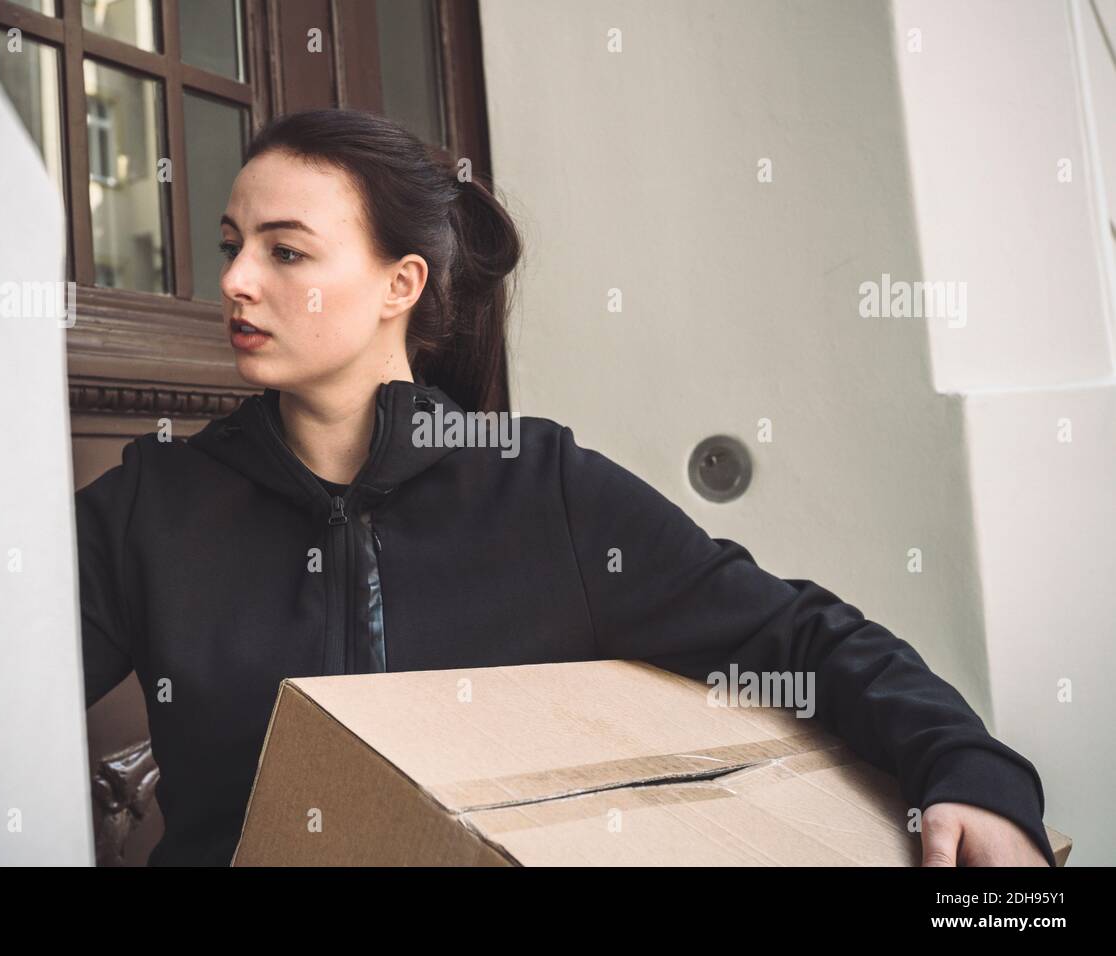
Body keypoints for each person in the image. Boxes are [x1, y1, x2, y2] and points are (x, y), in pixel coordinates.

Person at [75, 108, 1054, 867]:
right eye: (230, 244)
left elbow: (797, 637)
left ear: (399, 284)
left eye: (285, 251)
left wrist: (969, 774)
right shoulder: (152, 504)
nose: (237, 280)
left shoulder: (541, 491)